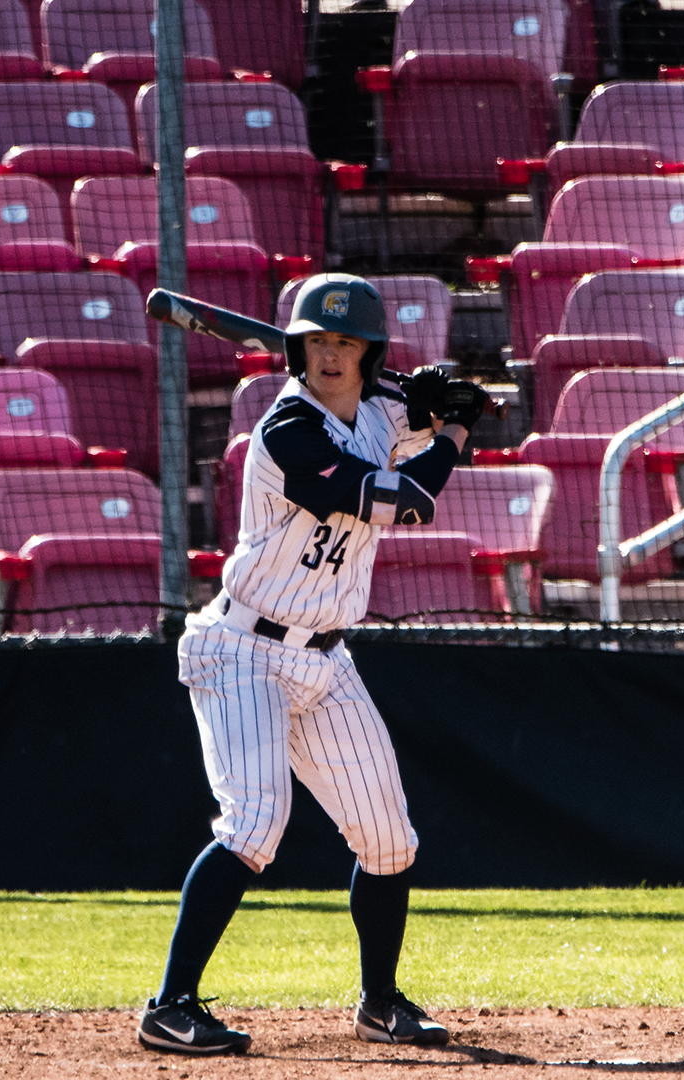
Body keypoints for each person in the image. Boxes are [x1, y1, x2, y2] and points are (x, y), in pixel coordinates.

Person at [136, 275, 485, 1056]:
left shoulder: (376, 410)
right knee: (256, 824)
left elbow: (430, 415)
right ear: (296, 349)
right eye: (318, 342)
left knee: (390, 839)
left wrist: (444, 402)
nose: (330, 356)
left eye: (347, 345)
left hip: (326, 657)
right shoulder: (285, 429)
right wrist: (453, 437)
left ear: (368, 357)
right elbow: (405, 502)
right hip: (243, 653)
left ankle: (381, 1001)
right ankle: (170, 1005)